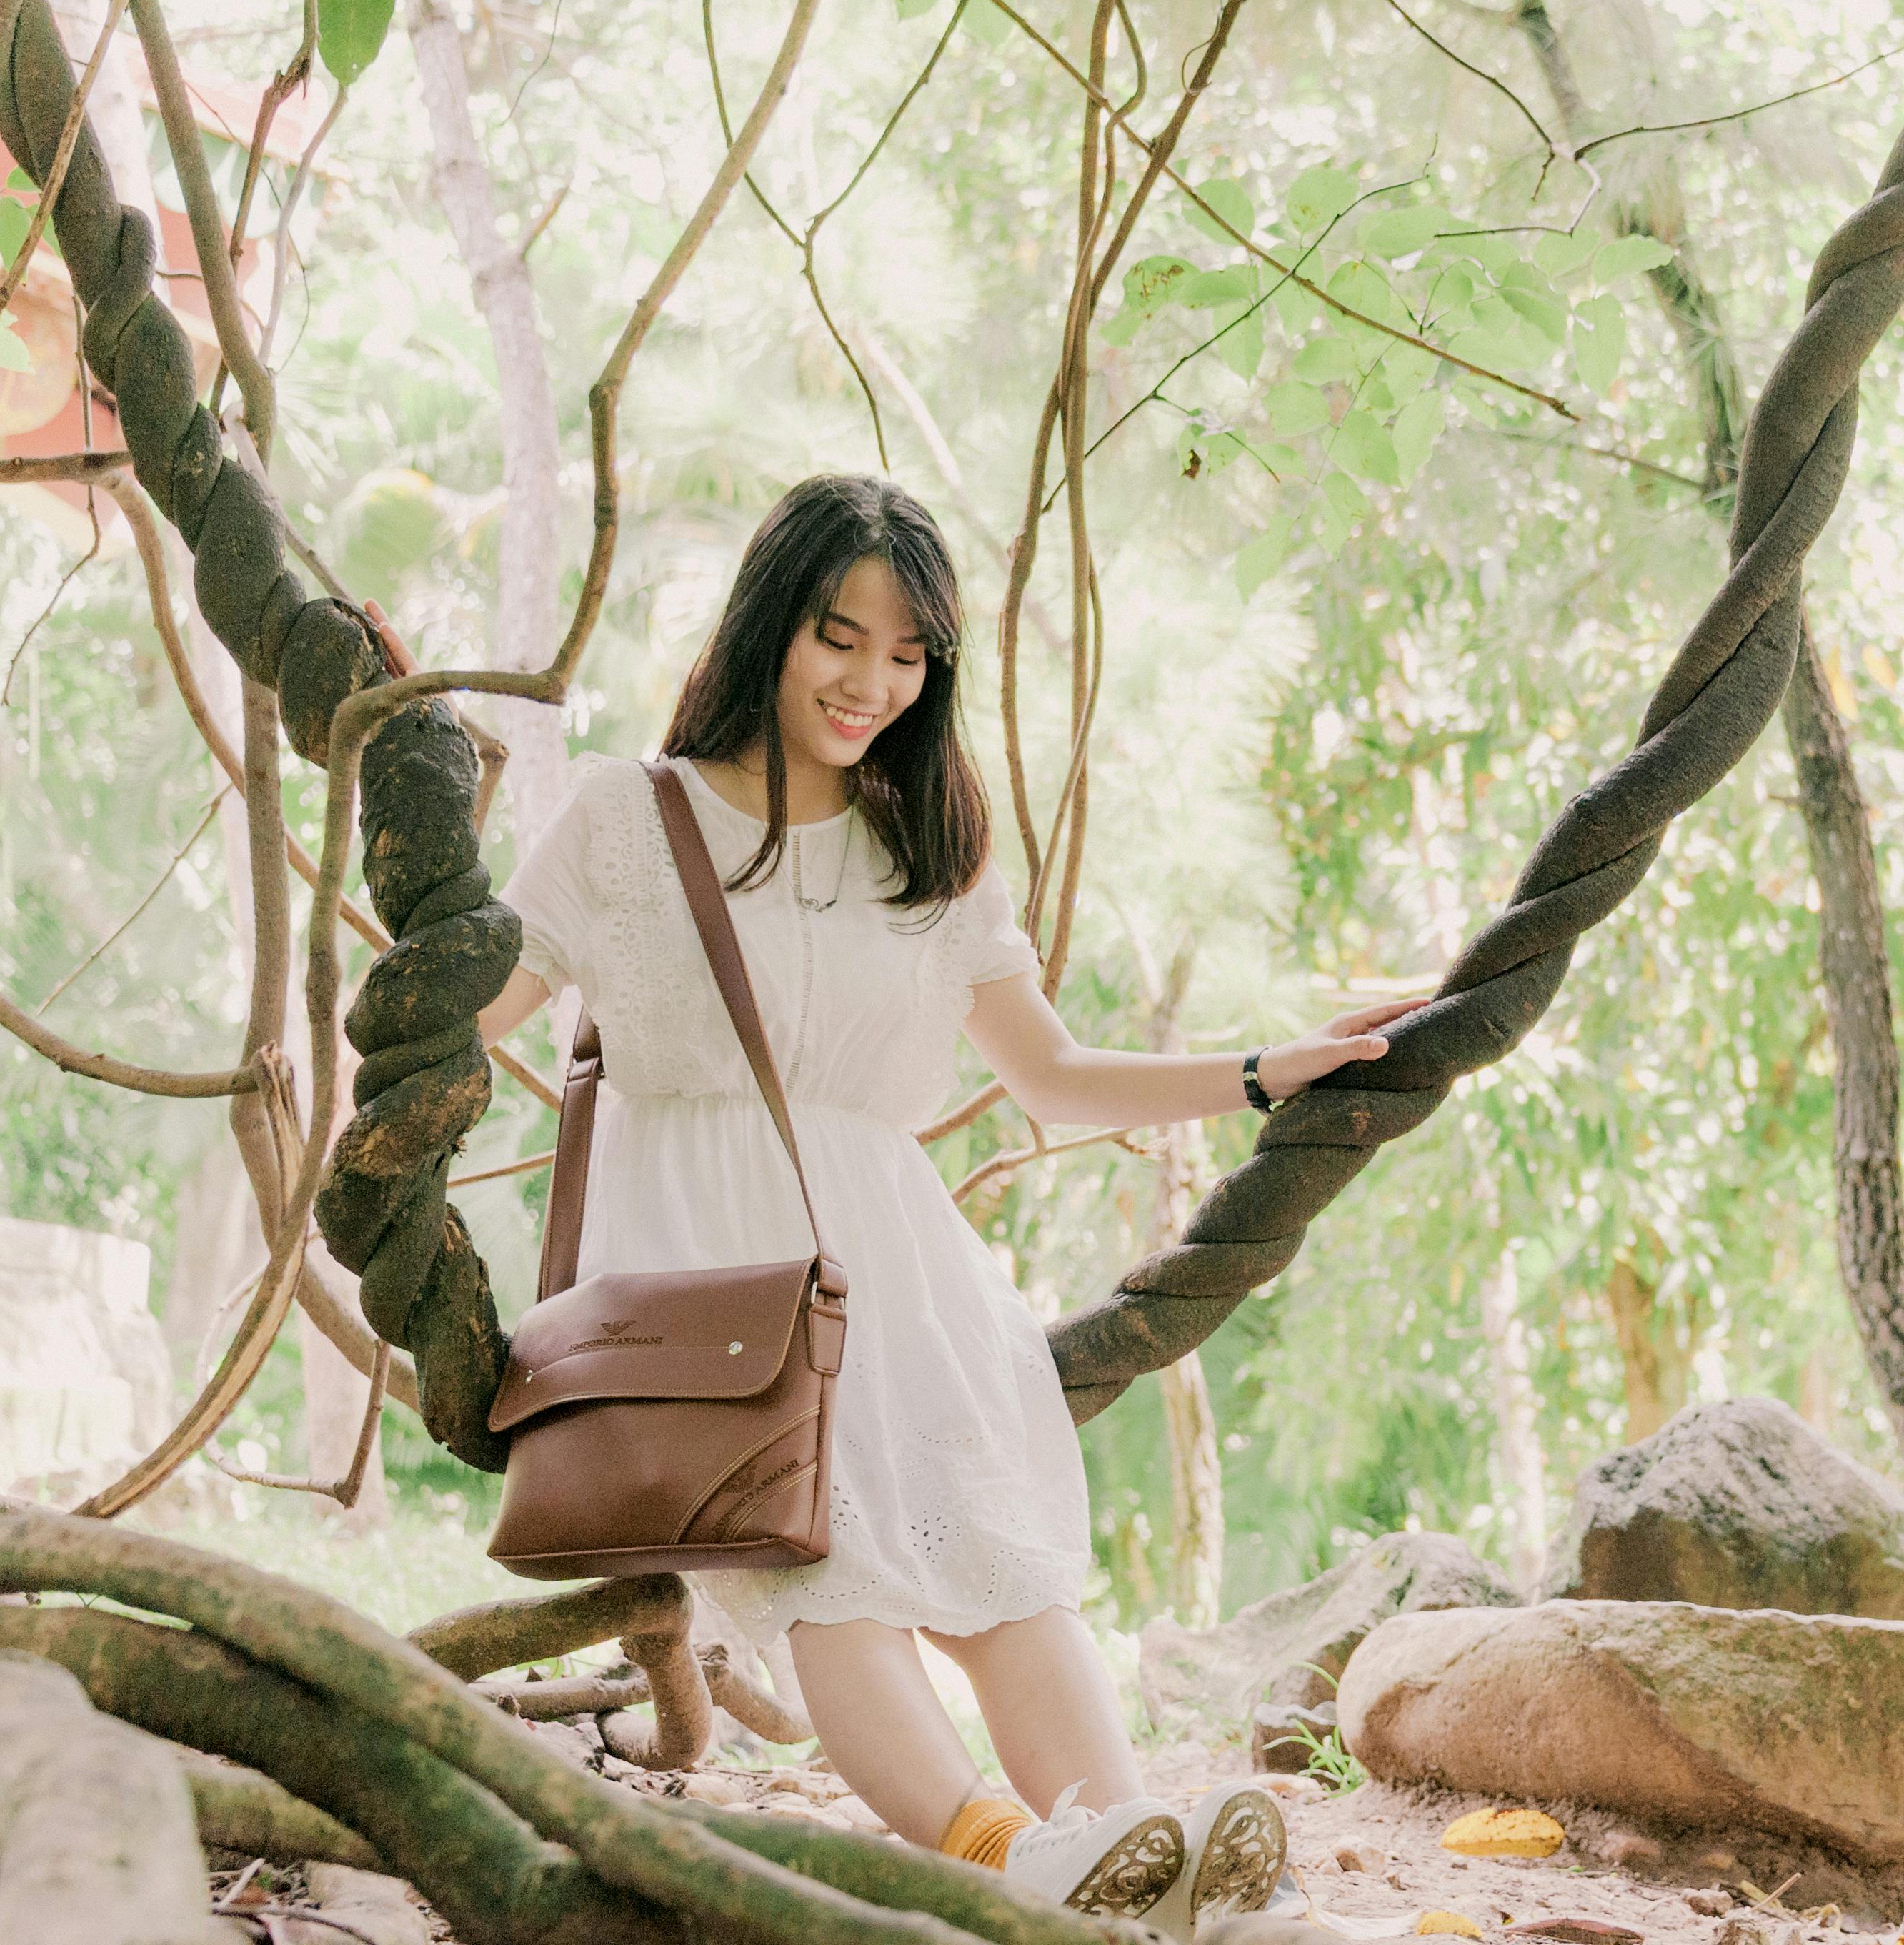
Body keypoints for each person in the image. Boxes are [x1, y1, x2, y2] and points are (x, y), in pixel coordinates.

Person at [434, 474, 1422, 1930]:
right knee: (831, 1569)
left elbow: (1056, 1075)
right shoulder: (625, 821)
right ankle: (1000, 1856)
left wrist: (1269, 1072)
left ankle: (1143, 1857)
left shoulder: (929, 845)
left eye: (909, 656)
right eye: (841, 638)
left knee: (1001, 1568)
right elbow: (477, 1016)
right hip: (700, 1273)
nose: (872, 683)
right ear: (770, 623)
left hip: (890, 1260)